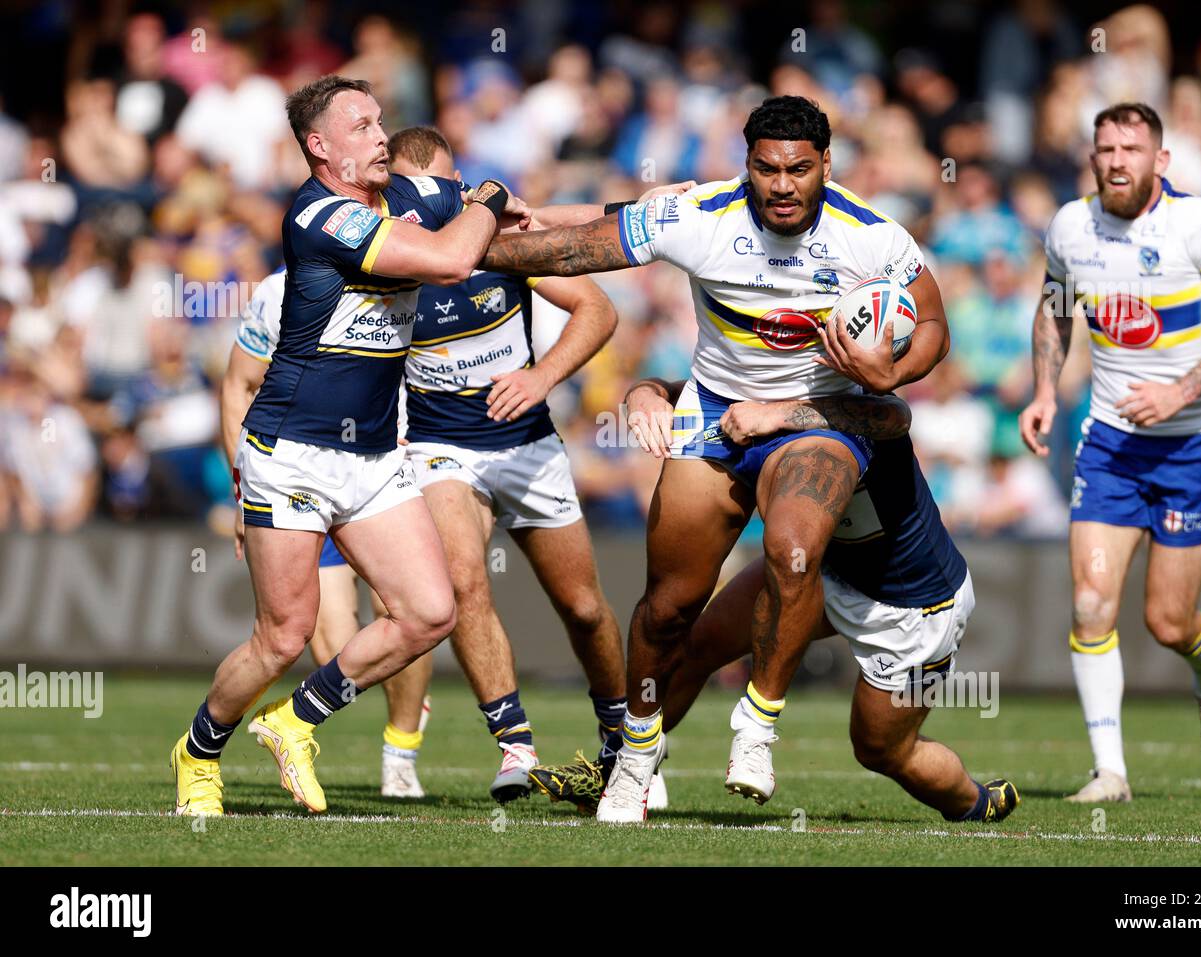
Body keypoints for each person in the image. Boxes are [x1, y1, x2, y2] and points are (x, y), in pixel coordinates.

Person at [481, 95, 951, 822]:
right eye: (766, 168)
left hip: (815, 419)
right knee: (668, 608)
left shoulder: (874, 237)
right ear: (748, 166)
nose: (783, 184)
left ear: (826, 164)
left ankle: (757, 724)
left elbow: (934, 328)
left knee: (793, 552)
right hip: (712, 416)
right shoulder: (699, 216)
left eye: (799, 168)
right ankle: (637, 753)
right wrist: (464, 252)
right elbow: (579, 248)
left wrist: (893, 371)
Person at [169, 74, 531, 817]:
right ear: (320, 147)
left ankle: (294, 721)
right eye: (362, 127)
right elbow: (455, 259)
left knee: (430, 612)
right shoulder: (319, 217)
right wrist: (489, 201)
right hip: (291, 450)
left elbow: (525, 220)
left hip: (371, 456)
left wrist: (642, 222)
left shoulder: (404, 193)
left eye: (379, 122)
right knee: (281, 637)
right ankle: (199, 751)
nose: (380, 137)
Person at [531, 380, 1018, 826]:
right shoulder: (780, 363)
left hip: (909, 604)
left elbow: (892, 416)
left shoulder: (865, 399)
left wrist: (778, 413)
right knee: (698, 643)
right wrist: (647, 391)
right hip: (823, 568)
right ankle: (619, 768)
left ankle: (976, 802)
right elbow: (709, 391)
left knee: (882, 749)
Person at [382, 125, 673, 804]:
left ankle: (626, 745)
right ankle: (515, 742)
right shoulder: (383, 257)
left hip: (527, 442)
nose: (434, 205)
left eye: (445, 189)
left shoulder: (497, 241)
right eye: (417, 193)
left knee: (582, 607)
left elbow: (597, 311)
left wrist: (541, 379)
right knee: (461, 586)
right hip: (439, 446)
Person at [1019, 102, 1201, 802]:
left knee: (1168, 621)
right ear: (1092, 156)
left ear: (1160, 160)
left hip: (1193, 445)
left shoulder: (1199, 223)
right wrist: (1044, 390)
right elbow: (1054, 305)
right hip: (1110, 444)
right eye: (1106, 148)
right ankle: (1111, 772)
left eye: (1132, 148)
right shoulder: (1071, 225)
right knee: (1092, 602)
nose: (1117, 160)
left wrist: (1180, 391)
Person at [219, 266, 432, 799]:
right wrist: (242, 492)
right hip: (300, 476)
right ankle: (286, 723)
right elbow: (238, 384)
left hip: (380, 470)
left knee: (410, 611)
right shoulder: (274, 291)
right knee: (324, 642)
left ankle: (400, 750)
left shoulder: (402, 270)